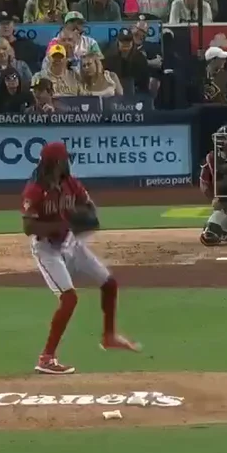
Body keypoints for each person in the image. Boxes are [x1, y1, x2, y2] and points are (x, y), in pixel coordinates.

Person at [22, 141, 140, 375]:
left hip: (70, 243)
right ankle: (46, 358)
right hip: (46, 249)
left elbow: (90, 211)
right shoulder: (34, 190)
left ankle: (109, 336)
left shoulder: (71, 183)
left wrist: (77, 218)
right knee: (69, 299)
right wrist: (60, 224)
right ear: (57, 163)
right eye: (65, 158)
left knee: (109, 283)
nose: (69, 161)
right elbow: (28, 227)